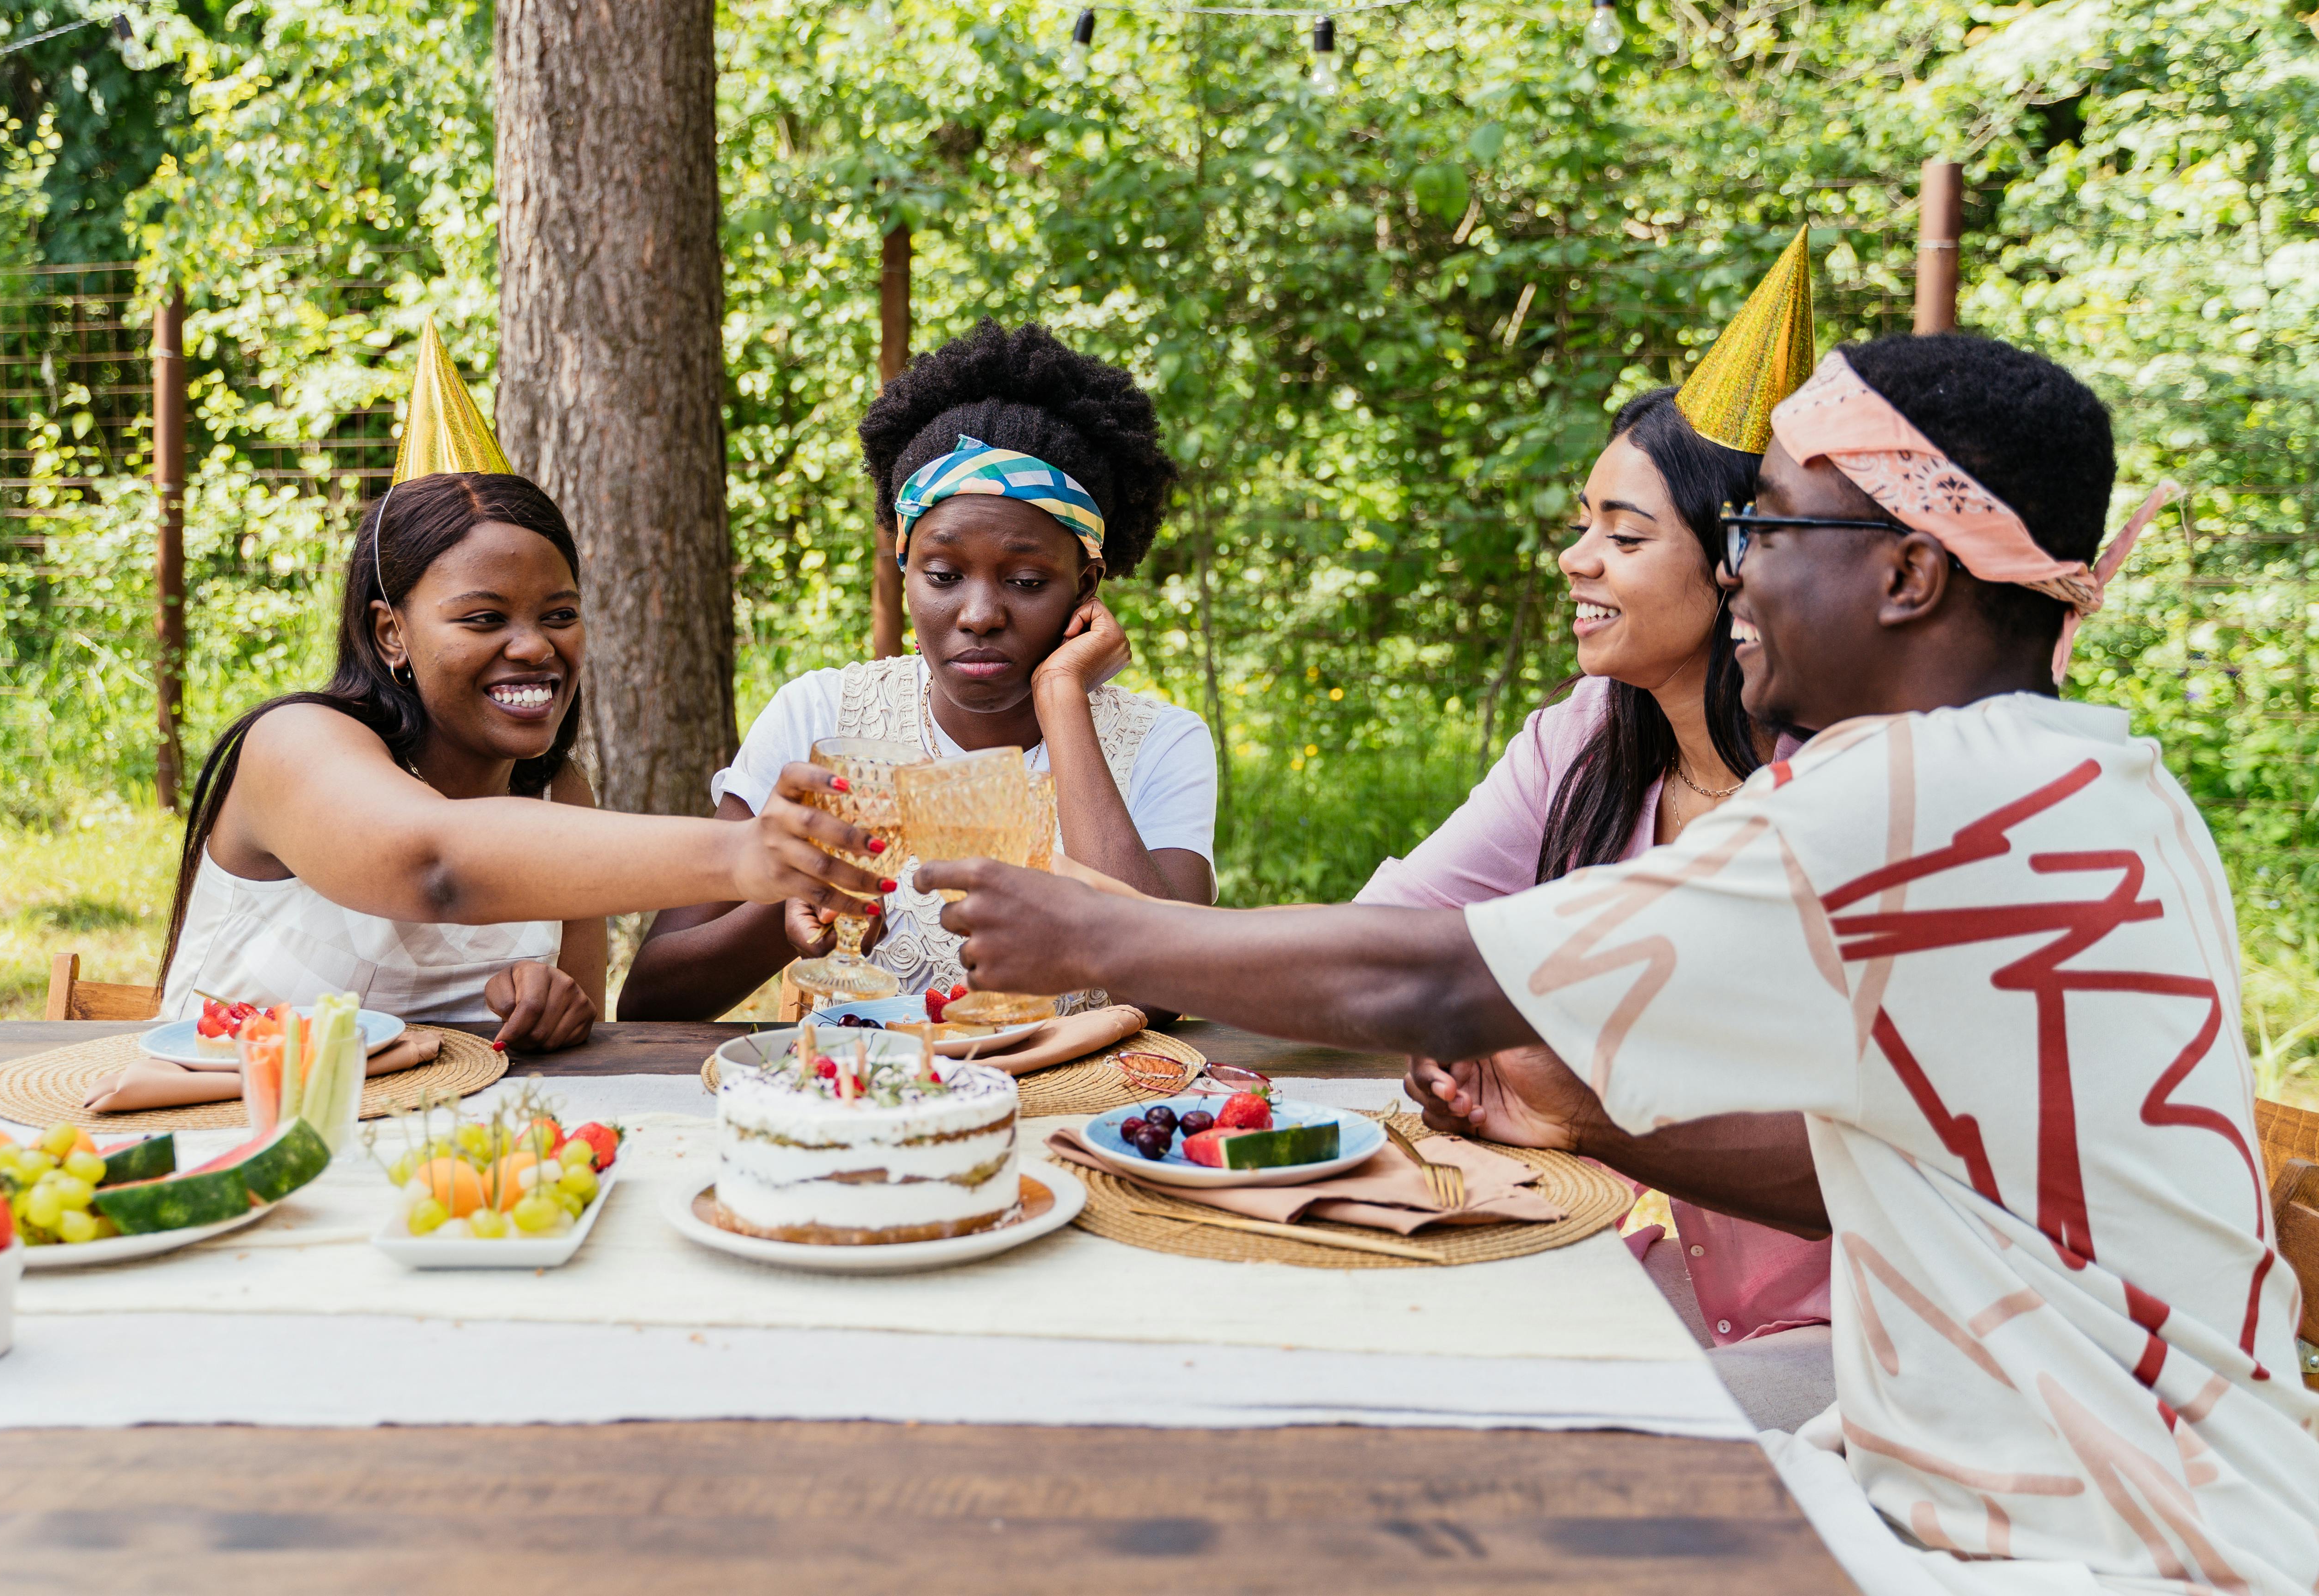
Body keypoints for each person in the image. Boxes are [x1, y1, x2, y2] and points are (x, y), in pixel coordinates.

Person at [924, 334, 2319, 1592]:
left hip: (2105, 1533)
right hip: (2114, 1475)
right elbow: (1896, 1163)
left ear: (1908, 573)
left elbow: (1436, 982)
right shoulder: (2103, 775)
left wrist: (1095, 929)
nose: (1737, 565)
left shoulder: (1892, 801)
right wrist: (1580, 1118)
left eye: (1767, 525)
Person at [1360, 232, 1832, 1397]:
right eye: (1585, 524)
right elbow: (1387, 931)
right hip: (1626, 1258)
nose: (1577, 560)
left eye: (1624, 536)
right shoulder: (1587, 736)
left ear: (1744, 565)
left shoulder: (1849, 790)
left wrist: (1569, 1108)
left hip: (1840, 1327)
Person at [156, 326, 882, 1052]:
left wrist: (553, 1006)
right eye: (484, 618)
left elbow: (587, 1041)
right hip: (219, 1130)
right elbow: (434, 866)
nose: (536, 647)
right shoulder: (294, 745)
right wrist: (744, 856)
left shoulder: (558, 794)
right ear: (390, 635)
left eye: (560, 615)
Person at [617, 319, 1218, 1021]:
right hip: (863, 1112)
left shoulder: (1164, 744)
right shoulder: (820, 717)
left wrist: (1062, 699)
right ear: (905, 571)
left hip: (1075, 1123)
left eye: (1026, 581)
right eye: (943, 574)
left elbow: (1166, 991)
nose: (979, 613)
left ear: (1087, 586)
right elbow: (650, 1000)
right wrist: (805, 897)